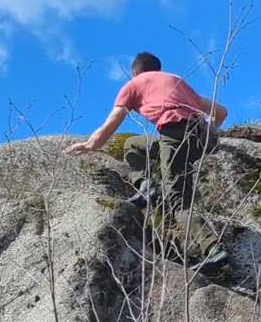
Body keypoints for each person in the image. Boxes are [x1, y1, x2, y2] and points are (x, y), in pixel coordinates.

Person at [66, 52, 228, 268]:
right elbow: (221, 111)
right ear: (157, 70)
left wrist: (90, 145)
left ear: (134, 72)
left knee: (179, 198)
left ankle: (213, 248)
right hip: (201, 137)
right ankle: (146, 186)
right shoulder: (176, 81)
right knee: (133, 145)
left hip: (173, 131)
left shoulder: (134, 84)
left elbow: (113, 121)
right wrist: (205, 134)